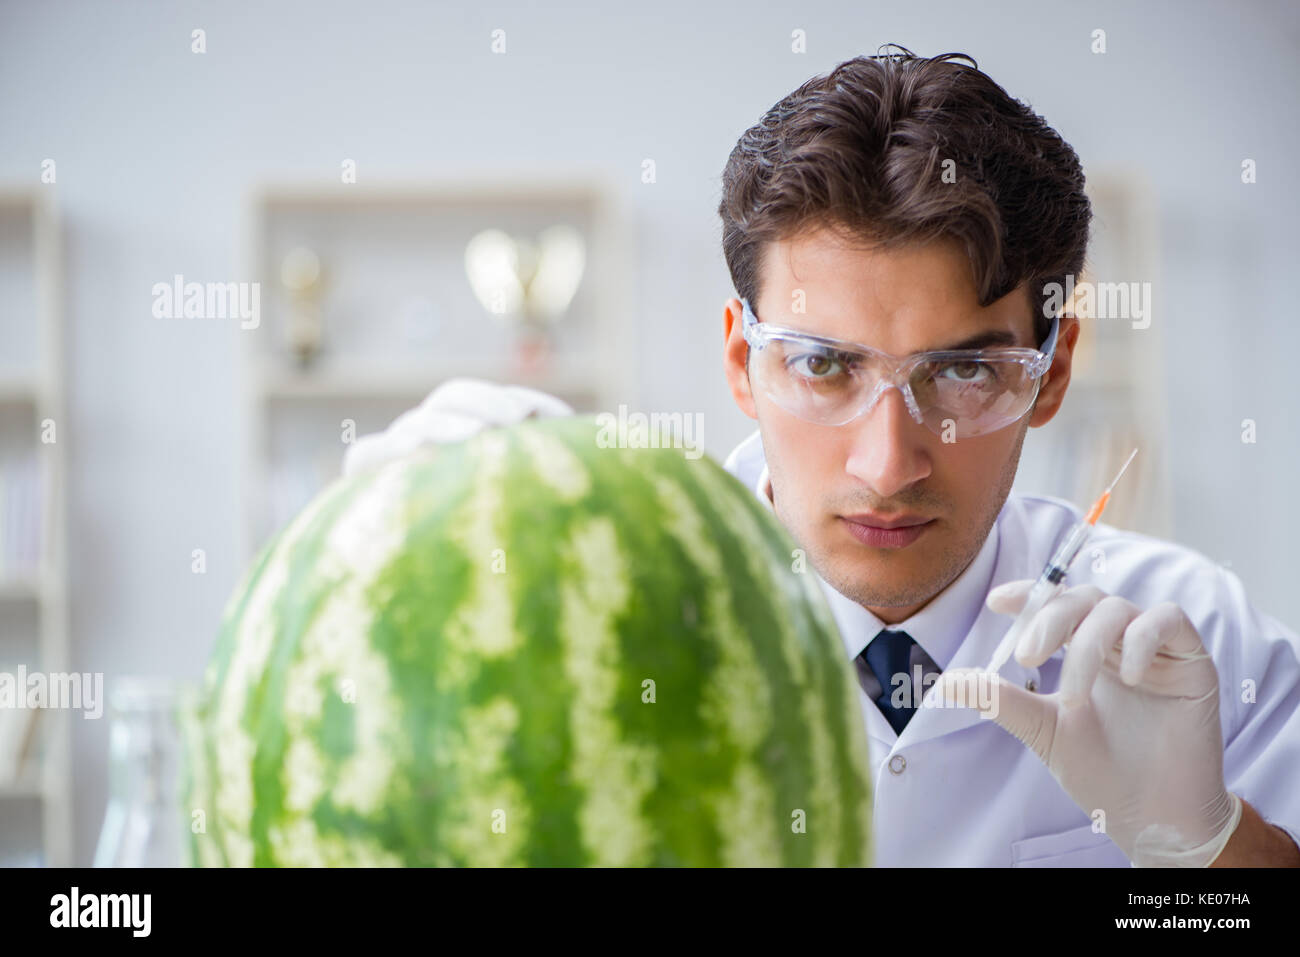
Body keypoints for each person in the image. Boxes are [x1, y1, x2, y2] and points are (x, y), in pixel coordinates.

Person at [345, 49, 1300, 867]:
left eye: (964, 370)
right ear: (741, 363)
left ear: (1051, 376)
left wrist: (1211, 852)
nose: (889, 466)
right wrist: (390, 608)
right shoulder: (582, 622)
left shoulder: (1198, 647)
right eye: (823, 364)